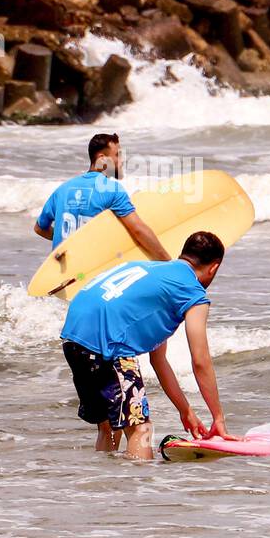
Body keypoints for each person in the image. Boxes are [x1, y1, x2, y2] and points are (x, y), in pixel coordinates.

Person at [59, 231, 232, 459]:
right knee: (141, 429)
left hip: (74, 338)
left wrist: (186, 411)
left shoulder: (150, 271)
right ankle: (138, 492)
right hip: (108, 345)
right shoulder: (192, 291)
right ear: (213, 268)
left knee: (110, 427)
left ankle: (100, 486)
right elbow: (200, 361)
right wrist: (218, 417)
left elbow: (158, 360)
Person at [34, 132, 171, 260]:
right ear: (102, 159)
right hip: (90, 271)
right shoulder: (112, 190)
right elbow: (138, 231)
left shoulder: (62, 189)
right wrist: (168, 261)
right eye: (117, 155)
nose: (121, 161)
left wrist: (68, 242)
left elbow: (40, 228)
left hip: (60, 269)